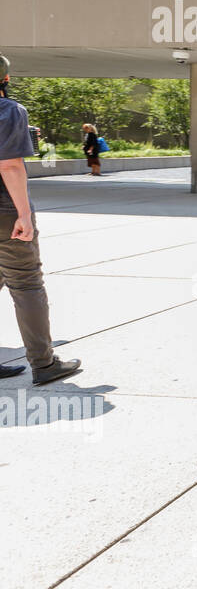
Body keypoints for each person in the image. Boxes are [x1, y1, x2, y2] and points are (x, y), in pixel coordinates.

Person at [0, 54, 82, 383]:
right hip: (5, 213)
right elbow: (8, 165)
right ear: (5, 79)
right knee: (26, 285)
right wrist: (24, 214)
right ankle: (44, 363)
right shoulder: (9, 111)